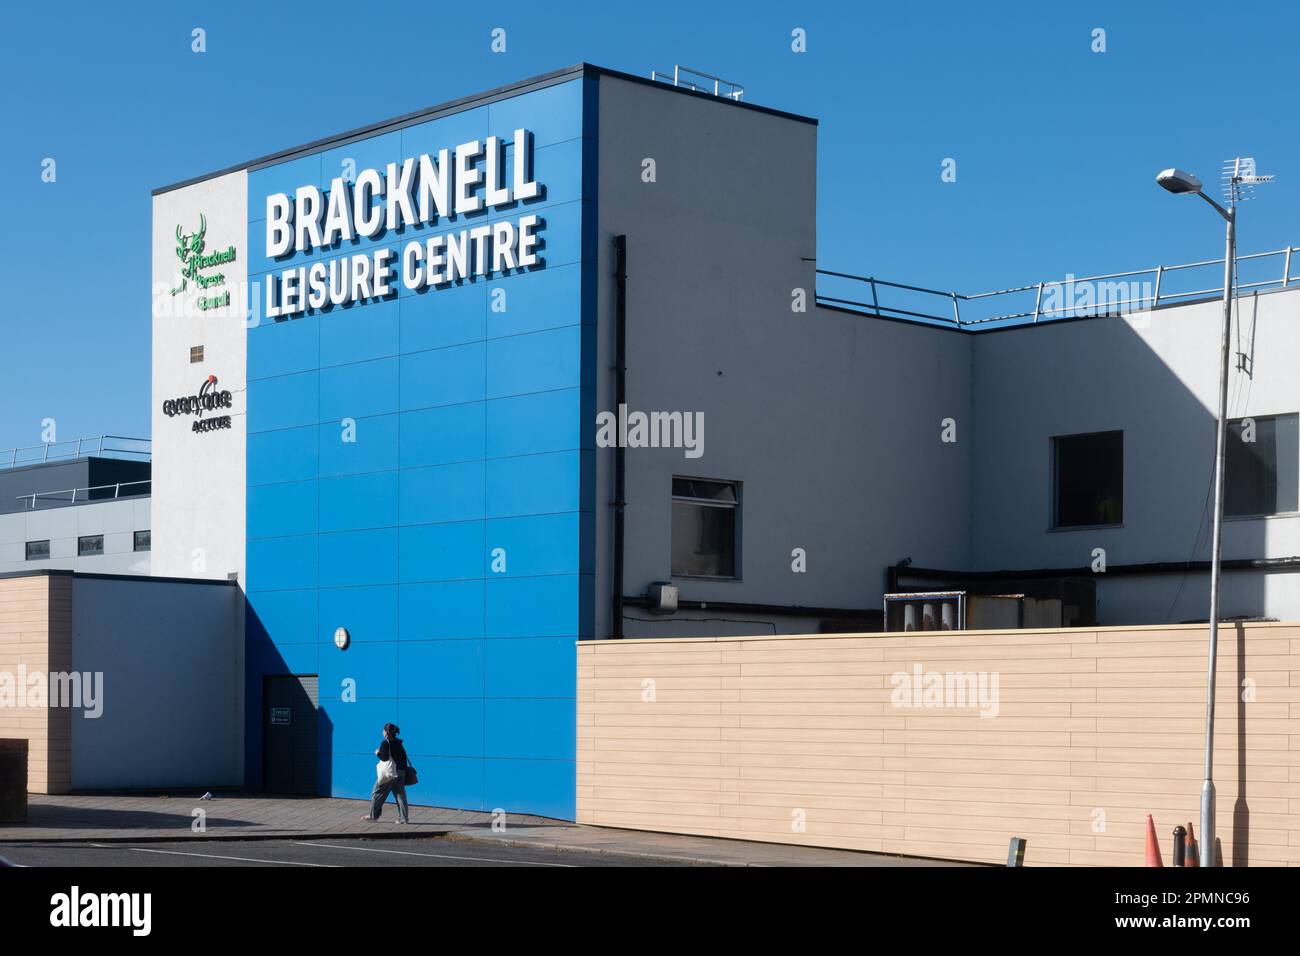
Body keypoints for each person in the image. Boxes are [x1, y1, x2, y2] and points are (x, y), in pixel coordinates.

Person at [362, 722, 410, 824]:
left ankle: (373, 815)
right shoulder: (399, 742)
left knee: (376, 792)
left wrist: (377, 753)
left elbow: (384, 758)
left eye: (383, 730)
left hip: (390, 773)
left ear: (385, 732)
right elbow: (403, 758)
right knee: (400, 796)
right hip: (401, 772)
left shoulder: (386, 743)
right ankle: (404, 818)